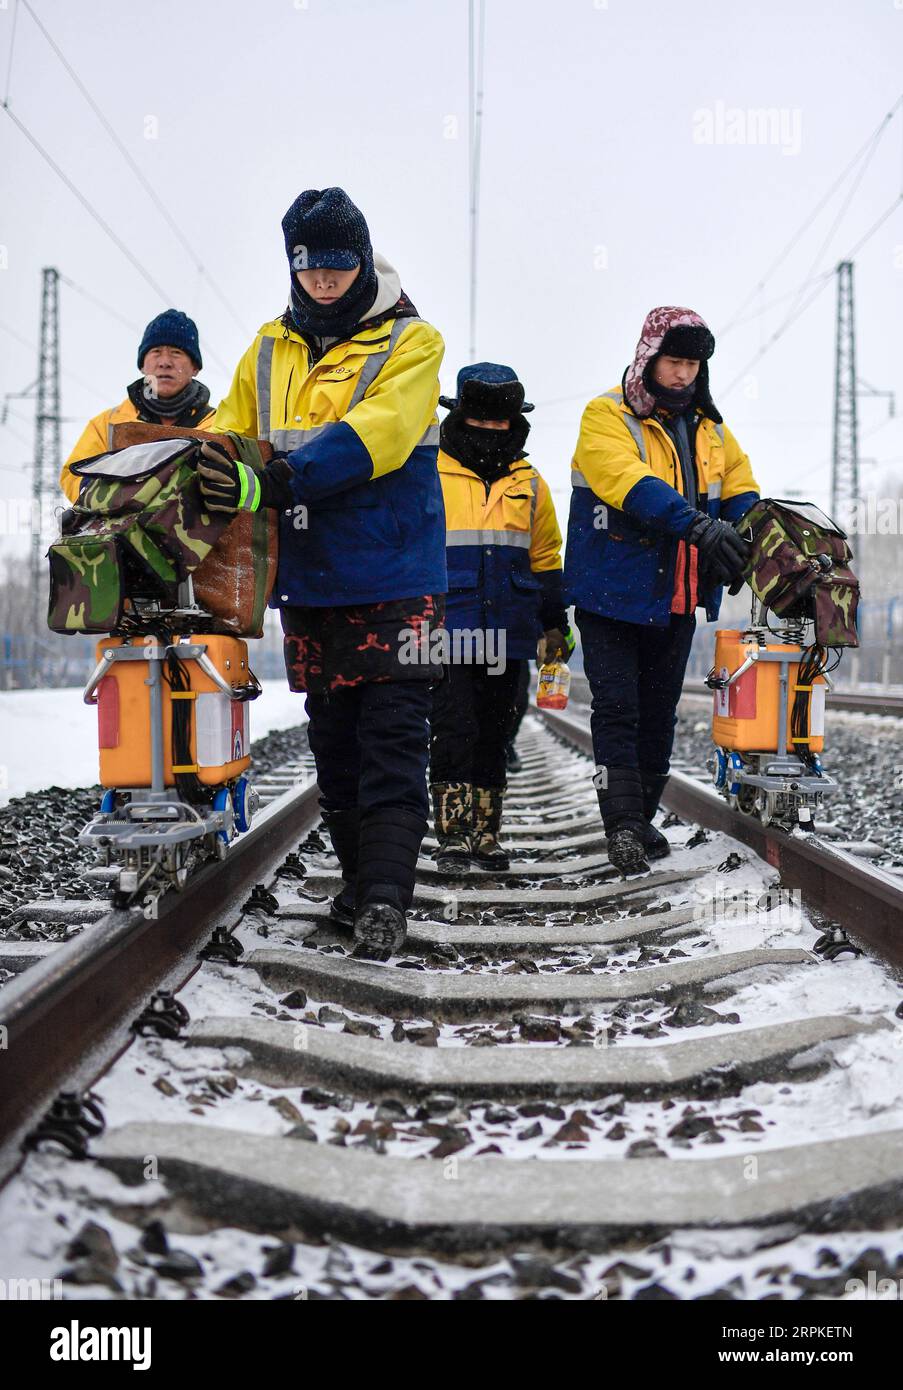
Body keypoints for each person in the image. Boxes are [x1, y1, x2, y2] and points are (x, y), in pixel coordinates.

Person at [199, 187, 446, 960]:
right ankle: (356, 887)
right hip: (309, 583)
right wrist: (193, 466)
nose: (325, 280)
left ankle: (384, 899)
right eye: (310, 266)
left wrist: (279, 479)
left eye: (339, 263)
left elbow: (383, 428)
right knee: (335, 748)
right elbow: (228, 432)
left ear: (361, 259)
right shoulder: (267, 349)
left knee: (395, 743)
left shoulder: (412, 341)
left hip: (400, 579)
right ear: (293, 266)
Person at [564, 307, 758, 874]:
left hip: (677, 595)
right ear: (649, 357)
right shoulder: (606, 416)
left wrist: (750, 535)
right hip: (610, 594)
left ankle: (640, 818)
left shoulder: (712, 430)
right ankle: (622, 826)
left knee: (659, 713)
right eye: (673, 361)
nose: (682, 374)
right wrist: (698, 526)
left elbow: (742, 490)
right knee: (618, 709)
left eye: (692, 364)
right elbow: (627, 482)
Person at [430, 363, 571, 873]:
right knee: (452, 728)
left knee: (497, 730)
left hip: (510, 631)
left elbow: (546, 556)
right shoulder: (429, 472)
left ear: (516, 423)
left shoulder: (530, 482)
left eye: (501, 424)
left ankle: (486, 836)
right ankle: (452, 836)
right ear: (460, 417)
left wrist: (555, 625)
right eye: (482, 421)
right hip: (448, 629)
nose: (491, 432)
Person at [60, 310, 213, 502]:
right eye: (156, 352)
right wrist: (108, 498)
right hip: (121, 530)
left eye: (176, 353)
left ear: (195, 367)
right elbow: (72, 476)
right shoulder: (106, 425)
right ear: (142, 365)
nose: (165, 362)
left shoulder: (218, 426)